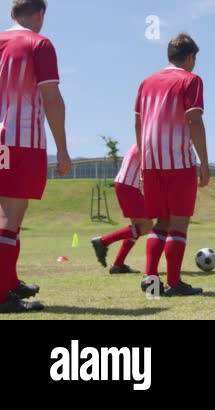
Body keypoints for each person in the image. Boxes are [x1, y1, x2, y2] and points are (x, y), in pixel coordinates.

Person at [0, 0, 72, 313]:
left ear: (12, 13)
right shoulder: (39, 43)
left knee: (9, 211)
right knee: (10, 217)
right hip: (21, 140)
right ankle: (3, 296)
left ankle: (10, 282)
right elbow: (52, 99)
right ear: (40, 14)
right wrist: (63, 148)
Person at [136, 33, 210, 297]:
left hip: (151, 161)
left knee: (161, 222)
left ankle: (151, 280)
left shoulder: (147, 82)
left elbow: (138, 123)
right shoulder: (191, 81)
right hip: (178, 161)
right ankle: (175, 283)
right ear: (190, 57)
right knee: (179, 224)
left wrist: (143, 163)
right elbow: (194, 121)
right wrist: (204, 161)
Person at [91, 144, 153, 274]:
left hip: (125, 184)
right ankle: (103, 241)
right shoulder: (148, 141)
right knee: (146, 226)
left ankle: (118, 264)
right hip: (129, 186)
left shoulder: (140, 141)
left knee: (138, 227)